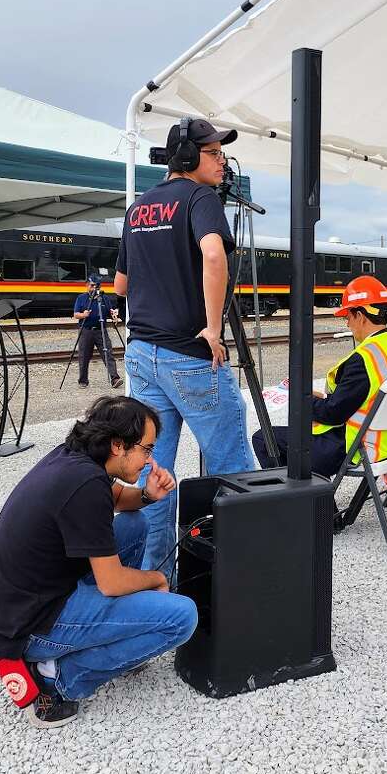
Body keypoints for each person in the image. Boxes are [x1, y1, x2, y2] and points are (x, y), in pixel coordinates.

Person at [0, 396, 196, 727]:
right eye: (147, 450)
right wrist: (156, 579)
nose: (149, 461)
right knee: (182, 617)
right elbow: (112, 583)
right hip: (32, 626)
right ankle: (57, 678)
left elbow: (121, 501)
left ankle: (111, 636)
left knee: (135, 525)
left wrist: (149, 494)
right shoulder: (85, 485)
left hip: (26, 603)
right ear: (118, 445)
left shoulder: (76, 460)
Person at [114, 116, 254, 577]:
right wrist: (213, 327)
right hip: (190, 357)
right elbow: (214, 255)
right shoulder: (200, 198)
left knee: (152, 475)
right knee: (232, 468)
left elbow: (121, 284)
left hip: (143, 355)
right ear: (189, 158)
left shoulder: (137, 209)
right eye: (214, 154)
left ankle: (158, 578)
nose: (222, 162)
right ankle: (239, 577)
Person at [252, 275, 387, 480]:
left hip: (354, 447)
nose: (347, 323)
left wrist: (303, 398)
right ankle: (315, 501)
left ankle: (310, 504)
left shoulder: (364, 359)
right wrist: (324, 399)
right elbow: (361, 398)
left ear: (360, 315)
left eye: (347, 316)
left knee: (264, 438)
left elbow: (333, 415)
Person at [72, 275, 123, 389]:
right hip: (86, 330)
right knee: (84, 356)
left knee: (108, 354)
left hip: (101, 330)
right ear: (87, 286)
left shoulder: (104, 298)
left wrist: (114, 316)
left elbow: (111, 313)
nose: (94, 288)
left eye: (97, 286)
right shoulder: (81, 298)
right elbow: (75, 314)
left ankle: (114, 378)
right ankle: (83, 380)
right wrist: (83, 315)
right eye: (92, 286)